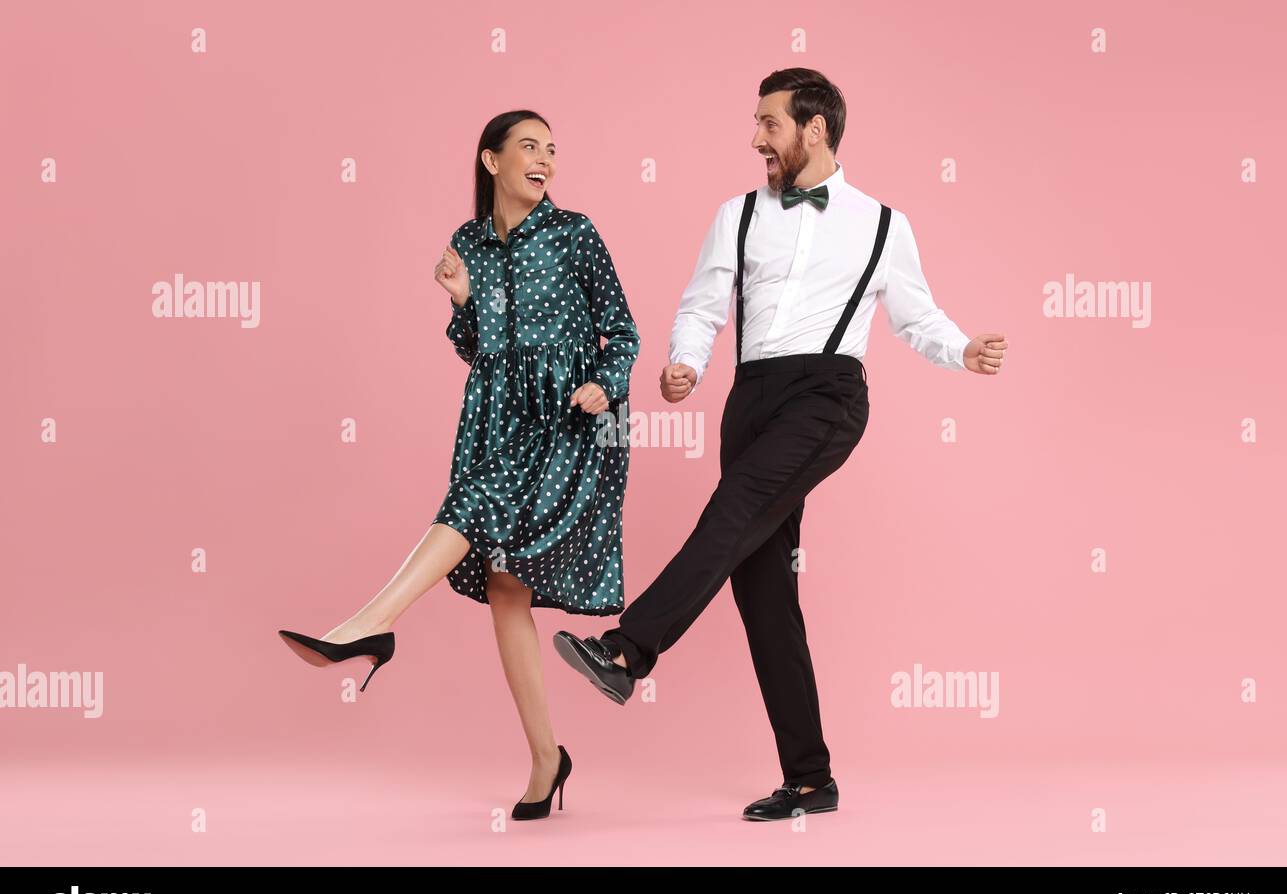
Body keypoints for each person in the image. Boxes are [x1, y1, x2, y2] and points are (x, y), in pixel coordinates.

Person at [553, 68, 1007, 821]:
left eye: (769, 123)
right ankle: (810, 778)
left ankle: (629, 650)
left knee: (732, 509)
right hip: (749, 398)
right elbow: (704, 301)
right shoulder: (736, 213)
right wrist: (686, 364)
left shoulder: (884, 224)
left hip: (827, 397)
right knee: (762, 587)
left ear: (815, 128)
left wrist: (963, 350)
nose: (755, 138)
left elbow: (916, 317)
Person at [279, 109, 640, 821]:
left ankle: (367, 625)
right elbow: (480, 351)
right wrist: (464, 301)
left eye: (551, 150)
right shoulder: (467, 245)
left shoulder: (575, 233)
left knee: (474, 507)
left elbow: (621, 329)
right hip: (499, 415)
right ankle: (547, 758)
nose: (544, 160)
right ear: (491, 159)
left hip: (573, 416)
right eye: (529, 147)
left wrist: (609, 381)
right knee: (507, 590)